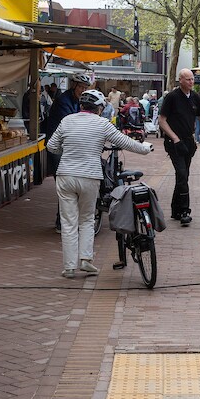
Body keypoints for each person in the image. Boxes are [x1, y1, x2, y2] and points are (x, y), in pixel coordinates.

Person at [46, 89, 153, 278]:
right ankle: (86, 261)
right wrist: (144, 149)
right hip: (89, 176)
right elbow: (125, 142)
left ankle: (69, 267)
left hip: (65, 175)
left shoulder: (67, 121)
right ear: (99, 108)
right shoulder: (103, 124)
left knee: (68, 222)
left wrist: (70, 148)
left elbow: (52, 146)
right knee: (87, 219)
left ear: (81, 106)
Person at [158, 69, 200, 226]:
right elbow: (162, 120)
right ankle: (185, 211)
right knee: (181, 173)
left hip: (188, 142)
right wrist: (175, 138)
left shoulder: (195, 98)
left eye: (192, 79)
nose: (191, 82)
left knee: (183, 176)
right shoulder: (172, 97)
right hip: (174, 142)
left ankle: (175, 209)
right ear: (180, 80)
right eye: (188, 79)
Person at [42, 72, 93, 230]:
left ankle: (66, 222)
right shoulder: (64, 101)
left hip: (67, 147)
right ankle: (61, 223)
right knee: (65, 186)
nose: (83, 90)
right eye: (81, 87)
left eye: (85, 88)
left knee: (70, 185)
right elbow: (72, 124)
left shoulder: (78, 100)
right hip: (57, 147)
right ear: (74, 86)